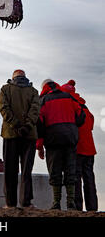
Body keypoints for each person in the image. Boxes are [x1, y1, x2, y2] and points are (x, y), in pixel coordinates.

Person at [37, 79, 85, 210]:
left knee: (55, 170)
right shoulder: (68, 97)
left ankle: (56, 202)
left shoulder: (44, 100)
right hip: (70, 139)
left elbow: (39, 124)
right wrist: (72, 125)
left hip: (53, 140)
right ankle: (70, 202)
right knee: (71, 170)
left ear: (44, 88)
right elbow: (81, 115)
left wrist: (39, 146)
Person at [0, 69, 40, 208]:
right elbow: (35, 110)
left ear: (13, 77)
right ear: (25, 77)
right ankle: (26, 202)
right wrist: (27, 126)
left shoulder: (5, 89)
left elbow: (4, 108)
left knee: (10, 170)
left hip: (10, 134)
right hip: (29, 135)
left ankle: (10, 203)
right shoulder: (33, 91)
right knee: (26, 170)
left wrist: (15, 124)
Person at [61, 80, 98, 211]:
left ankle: (77, 208)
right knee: (89, 179)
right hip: (90, 148)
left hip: (77, 149)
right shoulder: (85, 107)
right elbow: (91, 124)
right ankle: (92, 208)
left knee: (75, 179)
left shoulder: (70, 105)